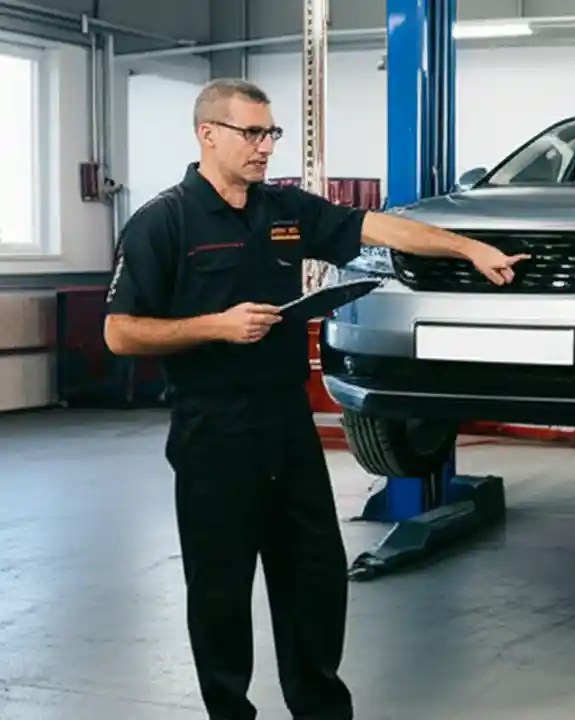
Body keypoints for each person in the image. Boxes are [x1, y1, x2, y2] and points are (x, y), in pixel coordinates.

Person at [103, 78, 527, 720]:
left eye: (270, 133)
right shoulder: (163, 221)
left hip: (286, 423)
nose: (265, 147)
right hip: (213, 430)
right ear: (207, 134)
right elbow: (120, 332)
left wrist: (468, 247)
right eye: (251, 133)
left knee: (314, 576)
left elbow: (375, 226)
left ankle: (321, 709)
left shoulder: (283, 210)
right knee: (220, 589)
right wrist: (217, 326)